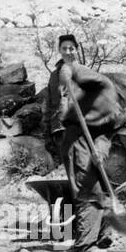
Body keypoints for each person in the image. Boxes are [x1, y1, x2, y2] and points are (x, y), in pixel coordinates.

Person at [57, 59, 126, 252]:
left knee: (105, 187)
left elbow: (106, 137)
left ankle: (102, 235)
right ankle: (85, 244)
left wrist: (100, 154)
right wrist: (66, 74)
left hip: (91, 144)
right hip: (77, 138)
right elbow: (68, 66)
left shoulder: (117, 113)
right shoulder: (103, 85)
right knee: (87, 187)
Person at [45, 34, 82, 165]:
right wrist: (47, 131)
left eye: (71, 48)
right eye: (64, 48)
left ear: (76, 50)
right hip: (59, 129)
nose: (67, 52)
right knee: (64, 166)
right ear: (59, 50)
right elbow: (49, 104)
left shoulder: (84, 73)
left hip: (79, 129)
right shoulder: (54, 76)